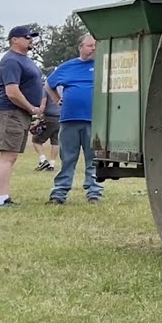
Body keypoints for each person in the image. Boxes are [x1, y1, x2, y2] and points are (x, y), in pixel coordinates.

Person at [47, 33, 102, 205]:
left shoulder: (102, 66)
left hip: (94, 120)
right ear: (80, 47)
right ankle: (59, 193)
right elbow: (49, 84)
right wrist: (57, 100)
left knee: (93, 158)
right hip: (69, 119)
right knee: (68, 157)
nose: (93, 49)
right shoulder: (67, 67)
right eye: (90, 45)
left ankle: (94, 193)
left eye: (95, 46)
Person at [0, 25, 46, 207]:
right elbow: (12, 92)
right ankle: (1, 198)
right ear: (14, 40)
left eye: (31, 37)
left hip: (21, 114)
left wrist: (38, 106)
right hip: (11, 112)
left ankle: (2, 196)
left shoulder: (25, 60)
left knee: (12, 156)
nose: (30, 40)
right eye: (26, 37)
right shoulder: (11, 61)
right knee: (8, 156)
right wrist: (31, 108)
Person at [31, 73, 61, 172]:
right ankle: (52, 164)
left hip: (50, 118)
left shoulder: (46, 89)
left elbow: (43, 105)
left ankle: (42, 159)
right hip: (61, 118)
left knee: (36, 139)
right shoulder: (63, 88)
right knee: (55, 141)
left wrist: (38, 116)